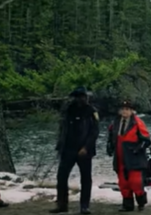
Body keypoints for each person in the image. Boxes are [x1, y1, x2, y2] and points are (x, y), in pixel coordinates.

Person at [51, 86, 100, 215]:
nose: (81, 99)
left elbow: (94, 132)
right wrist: (60, 145)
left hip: (84, 150)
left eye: (83, 96)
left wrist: (86, 147)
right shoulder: (68, 110)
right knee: (61, 177)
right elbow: (63, 130)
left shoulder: (91, 111)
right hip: (68, 148)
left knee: (85, 178)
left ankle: (84, 206)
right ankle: (62, 204)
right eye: (78, 97)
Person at [107, 100, 151, 212]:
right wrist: (110, 147)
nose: (124, 111)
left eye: (127, 109)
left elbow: (146, 140)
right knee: (123, 183)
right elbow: (111, 138)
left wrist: (137, 149)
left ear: (132, 111)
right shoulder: (115, 123)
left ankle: (141, 203)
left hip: (134, 158)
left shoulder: (138, 123)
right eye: (123, 109)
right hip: (120, 157)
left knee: (136, 182)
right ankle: (127, 205)